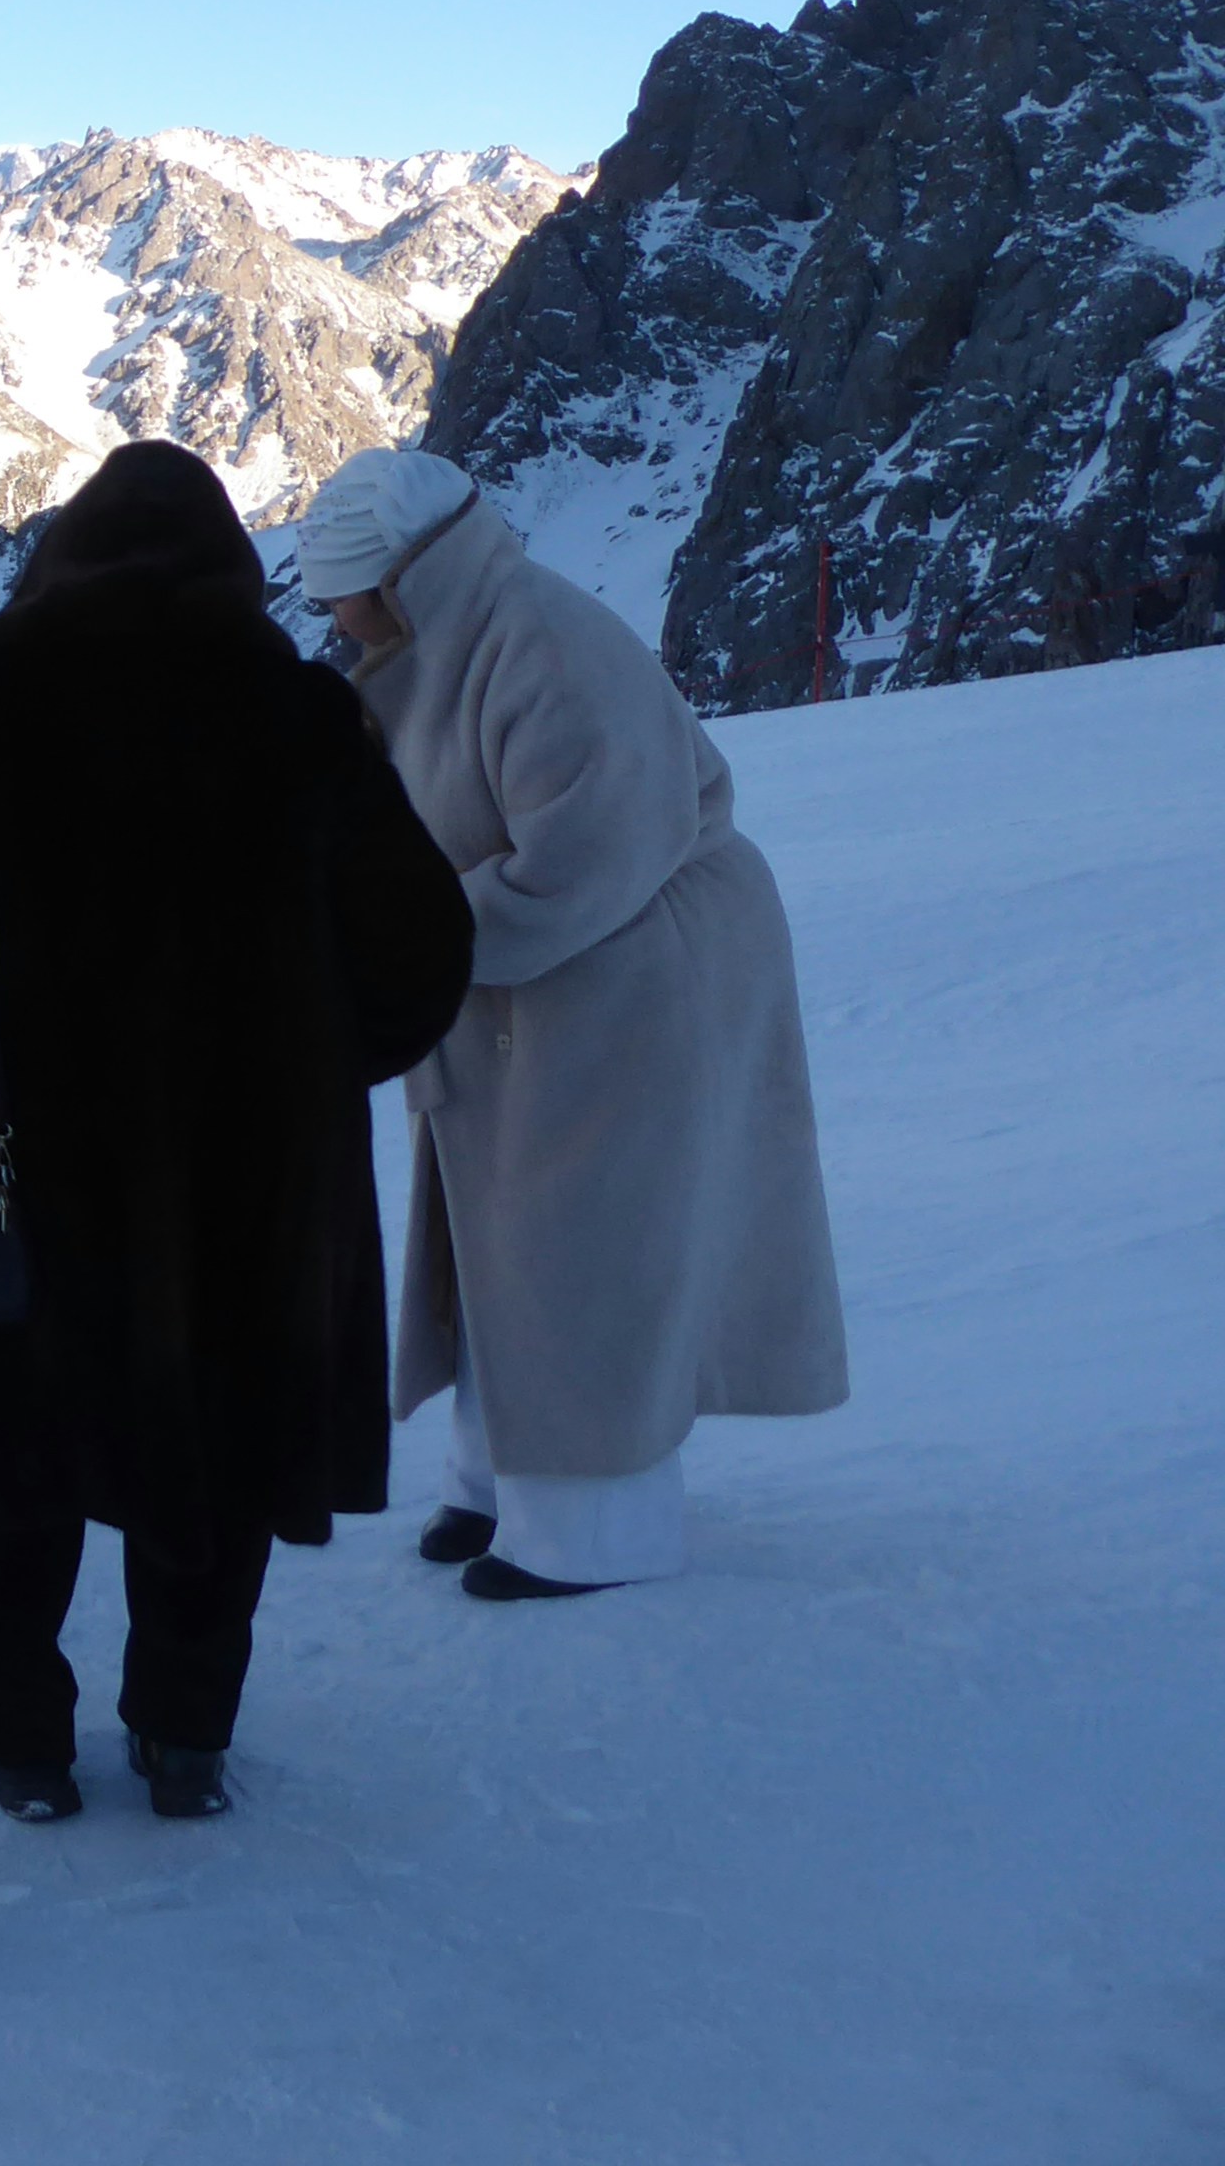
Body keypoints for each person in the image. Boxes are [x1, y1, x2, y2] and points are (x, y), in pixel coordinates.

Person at [0, 443, 474, 1825]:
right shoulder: (302, 717)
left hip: (17, 1165)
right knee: (221, 1444)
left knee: (8, 1458)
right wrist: (316, 1064)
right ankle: (185, 1738)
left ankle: (16, 1745)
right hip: (250, 1181)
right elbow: (423, 953)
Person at [294, 446, 850, 1598]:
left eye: (341, 592)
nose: (334, 622)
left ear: (398, 578)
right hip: (533, 986)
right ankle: (500, 1476)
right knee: (499, 1233)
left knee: (591, 1246)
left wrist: (407, 941)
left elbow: (587, 855)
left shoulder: (537, 644)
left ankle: (596, 1531)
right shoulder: (453, 641)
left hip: (631, 982)